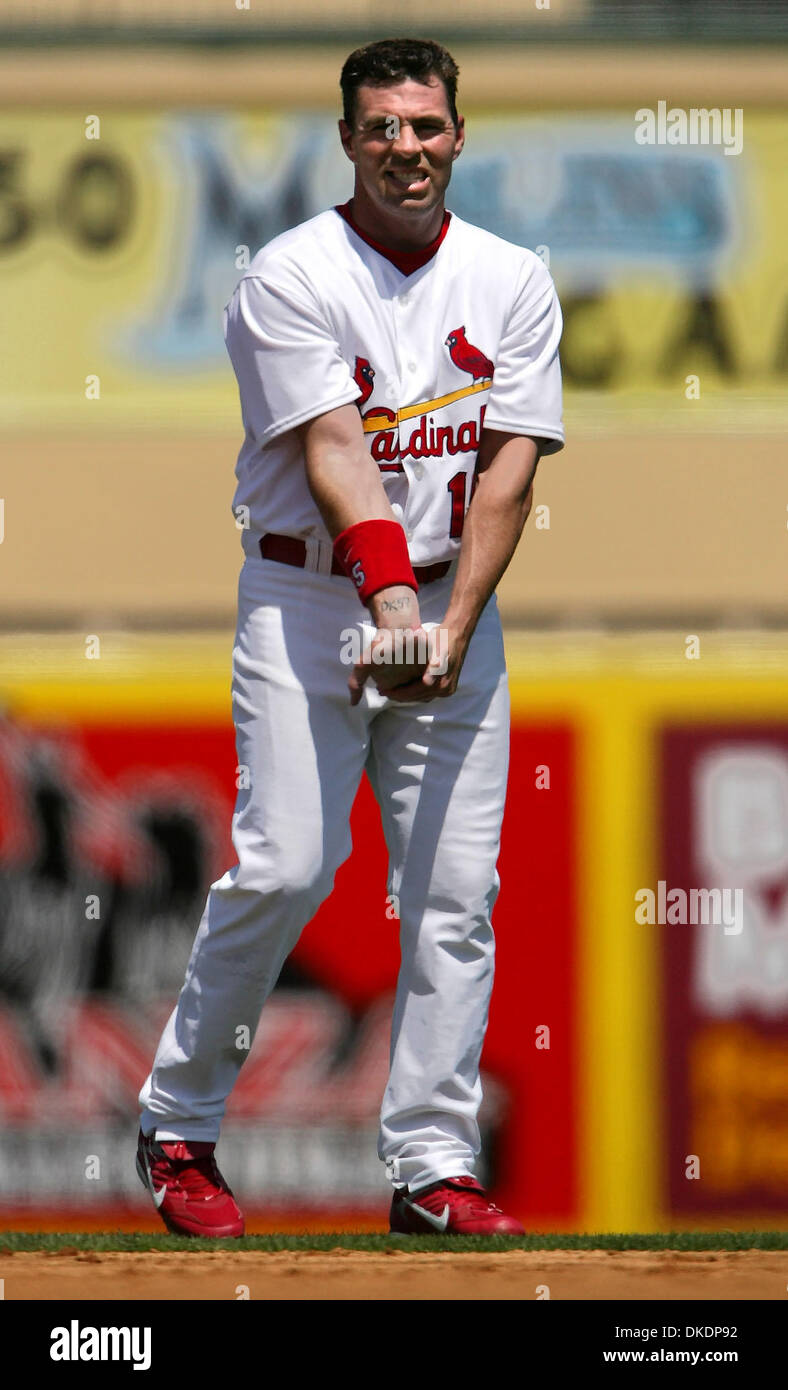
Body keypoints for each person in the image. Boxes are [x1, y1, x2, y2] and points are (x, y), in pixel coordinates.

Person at [136, 36, 564, 1237]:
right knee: (282, 864)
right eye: (380, 127)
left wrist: (452, 623)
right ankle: (178, 1123)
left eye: (424, 126)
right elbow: (335, 452)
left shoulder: (509, 280)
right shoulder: (289, 272)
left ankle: (432, 1166)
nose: (404, 148)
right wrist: (391, 613)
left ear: (458, 136)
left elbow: (507, 474)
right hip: (309, 597)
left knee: (453, 895)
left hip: (452, 599)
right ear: (346, 141)